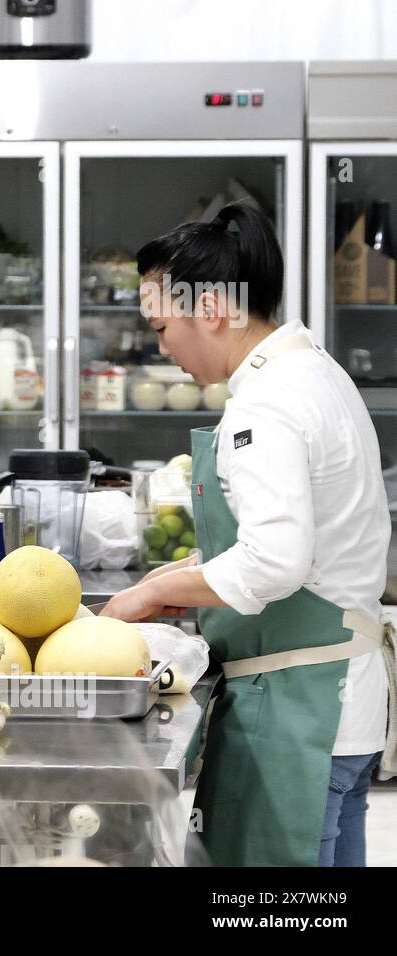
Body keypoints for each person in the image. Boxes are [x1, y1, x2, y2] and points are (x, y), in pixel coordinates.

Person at [102, 202, 394, 867]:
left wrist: (149, 596)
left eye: (163, 325)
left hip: (300, 715)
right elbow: (301, 542)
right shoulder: (313, 372)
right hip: (337, 706)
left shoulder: (266, 404)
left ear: (210, 310)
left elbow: (276, 559)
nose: (162, 345)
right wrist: (186, 580)